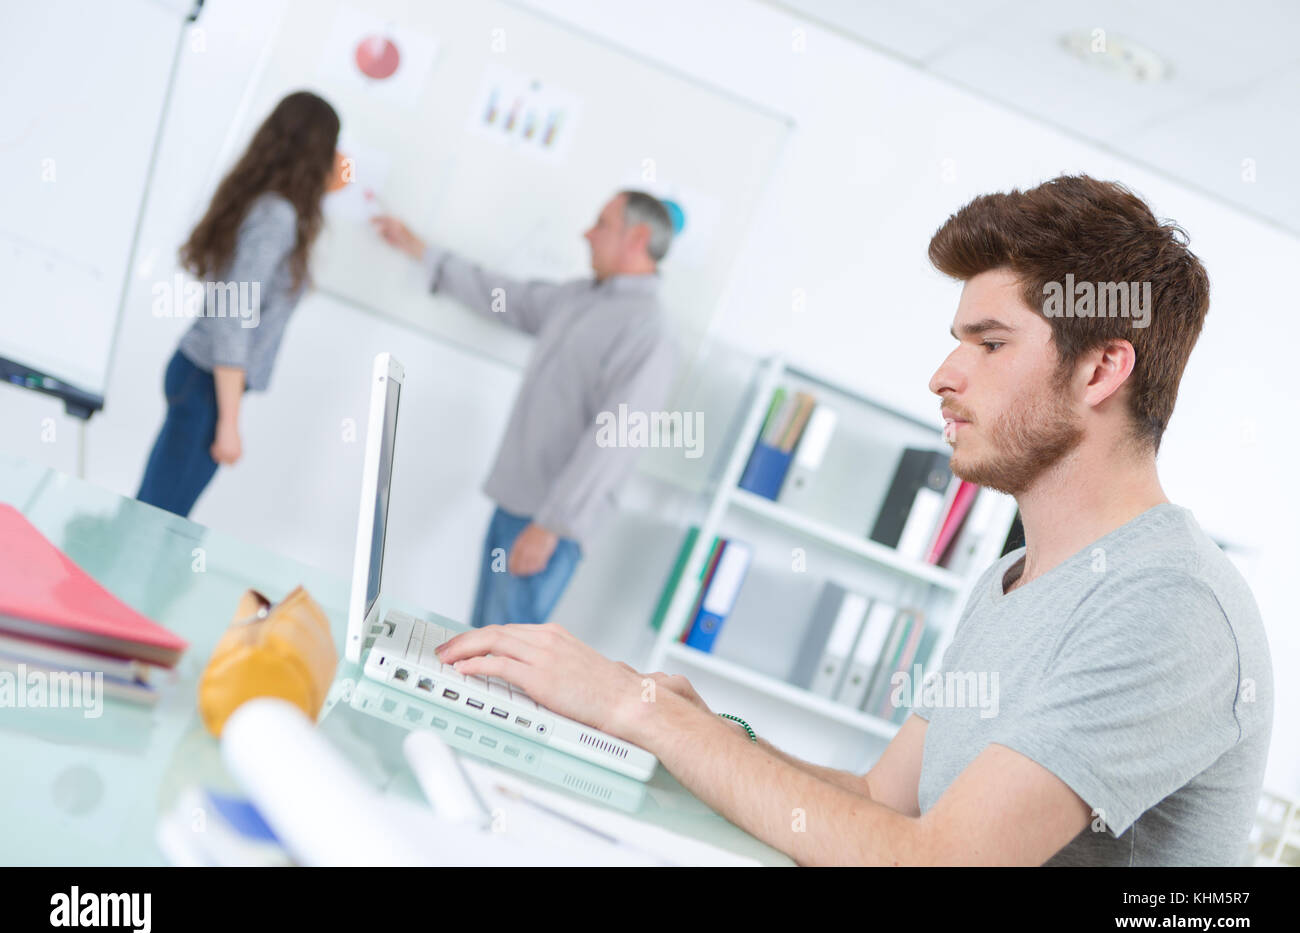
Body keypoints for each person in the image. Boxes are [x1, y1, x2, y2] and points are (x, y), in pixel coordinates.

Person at [431, 175, 1273, 866]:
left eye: (989, 343)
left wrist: (642, 713)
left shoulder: (1168, 605)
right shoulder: (1012, 580)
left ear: (1100, 371)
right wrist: (694, 726)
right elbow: (880, 802)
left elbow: (940, 863)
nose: (943, 375)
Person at [372, 191, 680, 627]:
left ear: (638, 238)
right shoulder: (577, 298)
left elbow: (612, 443)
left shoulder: (649, 332)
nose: (587, 234)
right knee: (479, 640)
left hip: (550, 527)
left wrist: (550, 526)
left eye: (602, 224)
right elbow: (503, 296)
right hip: (514, 505)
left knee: (503, 654)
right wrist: (422, 251)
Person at [137, 91, 344, 517]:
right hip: (207, 383)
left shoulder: (271, 206)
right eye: (332, 147)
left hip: (206, 381)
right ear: (317, 151)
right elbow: (232, 316)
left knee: (159, 515)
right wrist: (229, 423)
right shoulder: (276, 217)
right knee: (157, 521)